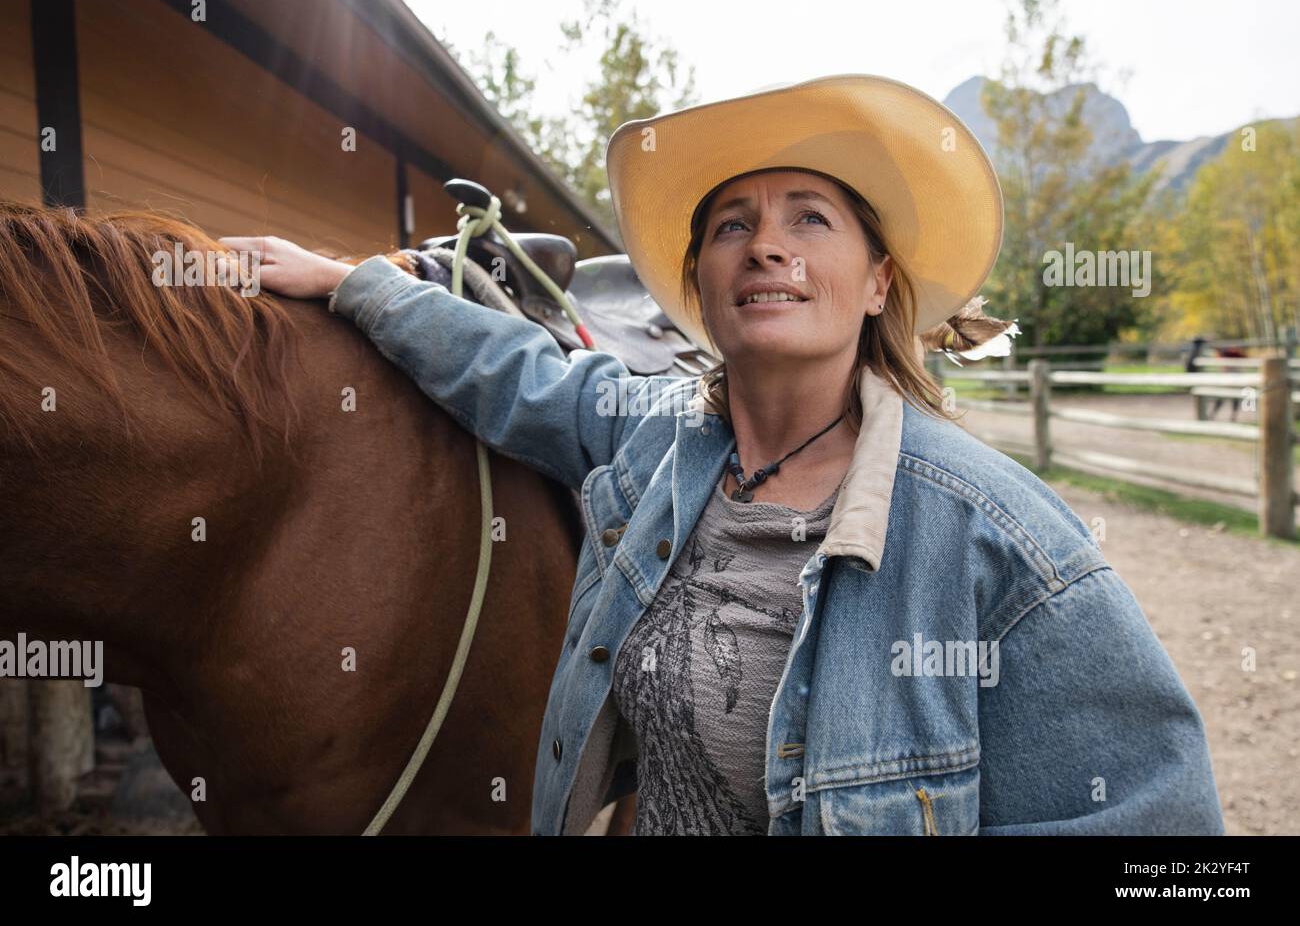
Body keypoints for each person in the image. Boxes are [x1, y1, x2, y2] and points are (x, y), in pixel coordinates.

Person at [221, 74, 1224, 836]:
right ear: (699, 288)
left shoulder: (1002, 544)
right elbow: (516, 376)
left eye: (810, 219)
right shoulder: (657, 439)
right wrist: (356, 282)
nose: (765, 246)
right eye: (732, 226)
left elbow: (1160, 826)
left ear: (878, 283)